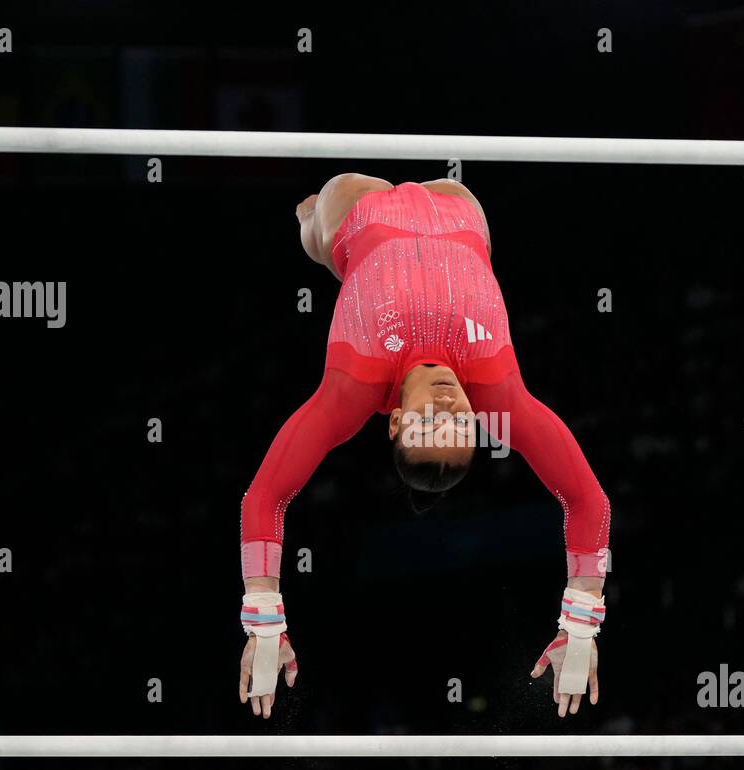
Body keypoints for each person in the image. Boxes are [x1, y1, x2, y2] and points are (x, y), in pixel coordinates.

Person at [239, 174, 610, 719]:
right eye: (460, 425)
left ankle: (309, 224)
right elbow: (588, 500)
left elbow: (264, 496)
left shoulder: (352, 389)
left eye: (428, 422)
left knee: (317, 231)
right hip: (458, 212)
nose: (448, 406)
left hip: (358, 214)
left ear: (392, 423)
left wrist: (264, 615)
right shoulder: (498, 390)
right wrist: (581, 622)